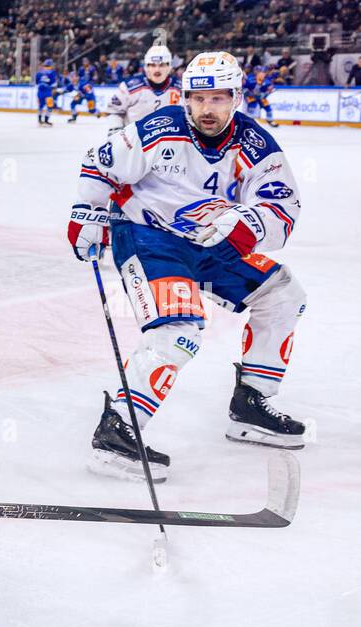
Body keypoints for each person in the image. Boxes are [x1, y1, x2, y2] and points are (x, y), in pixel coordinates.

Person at [68, 52, 308, 481]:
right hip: (147, 237)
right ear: (186, 98)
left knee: (284, 293)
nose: (207, 108)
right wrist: (87, 213)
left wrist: (247, 225)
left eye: (218, 98)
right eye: (198, 98)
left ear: (236, 97)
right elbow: (101, 162)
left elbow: (282, 205)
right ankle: (118, 431)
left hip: (209, 242)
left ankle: (251, 403)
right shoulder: (157, 130)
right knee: (178, 331)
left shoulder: (255, 144)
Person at [104, 44, 181, 130]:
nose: (157, 70)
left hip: (170, 140)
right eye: (152, 65)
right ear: (146, 67)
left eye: (161, 65)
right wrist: (116, 130)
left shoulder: (180, 88)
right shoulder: (130, 87)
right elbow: (114, 111)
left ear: (169, 67)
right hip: (134, 141)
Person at [34, 58, 60, 127]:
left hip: (40, 92)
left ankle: (39, 121)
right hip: (47, 92)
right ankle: (46, 120)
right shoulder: (52, 72)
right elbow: (54, 84)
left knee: (40, 106)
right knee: (50, 106)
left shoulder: (39, 72)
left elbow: (36, 83)